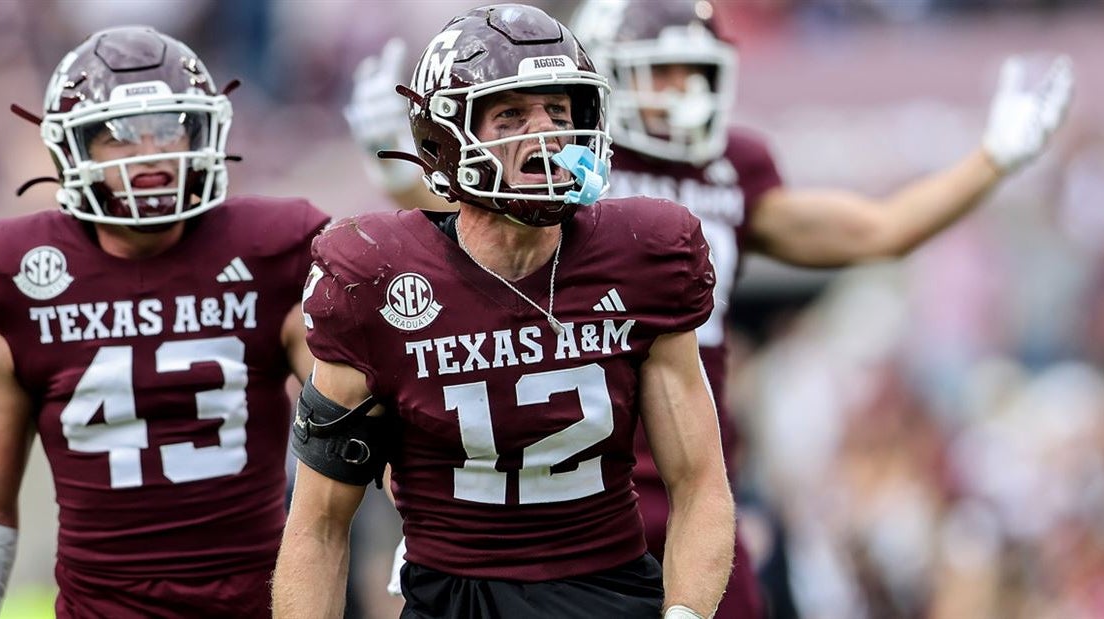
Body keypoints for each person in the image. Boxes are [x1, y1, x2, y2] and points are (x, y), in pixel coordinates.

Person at [346, 1, 1076, 617]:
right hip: (566, 503)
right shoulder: (552, 181)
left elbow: (875, 231)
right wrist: (391, 152)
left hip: (696, 482)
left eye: (693, 72)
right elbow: (457, 213)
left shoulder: (727, 171)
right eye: (660, 71)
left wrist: (994, 157)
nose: (682, 91)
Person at [274, 5, 735, 619]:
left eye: (559, 112)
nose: (544, 133)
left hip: (609, 594)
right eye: (512, 114)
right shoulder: (376, 278)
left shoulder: (642, 256)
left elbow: (701, 482)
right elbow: (318, 525)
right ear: (447, 134)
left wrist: (684, 614)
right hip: (451, 599)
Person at [0, 26, 330, 618]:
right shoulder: (16, 273)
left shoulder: (274, 250)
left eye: (169, 128)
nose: (150, 152)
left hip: (255, 602)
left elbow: (353, 428)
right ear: (73, 152)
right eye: (120, 136)